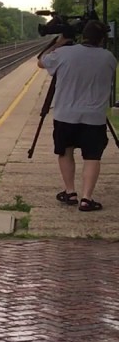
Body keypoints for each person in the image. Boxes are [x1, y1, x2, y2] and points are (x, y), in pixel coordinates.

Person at [38, 20, 117, 211]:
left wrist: (60, 41)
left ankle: (70, 191)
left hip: (66, 114)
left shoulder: (64, 53)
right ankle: (87, 199)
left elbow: (41, 61)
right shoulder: (109, 58)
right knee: (92, 156)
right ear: (102, 39)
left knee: (65, 151)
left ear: (82, 36)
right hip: (95, 116)